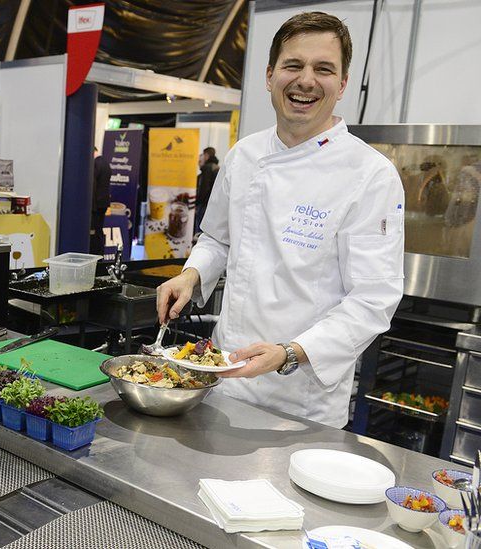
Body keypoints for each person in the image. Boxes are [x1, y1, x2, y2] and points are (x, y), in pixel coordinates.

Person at [156, 12, 404, 428]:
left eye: (323, 69)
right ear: (270, 76)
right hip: (222, 376)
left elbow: (372, 300)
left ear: (342, 84)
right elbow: (217, 239)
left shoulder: (371, 175)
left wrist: (288, 352)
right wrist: (192, 275)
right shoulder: (244, 156)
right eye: (293, 65)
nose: (306, 80)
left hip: (299, 401)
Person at [90, 147, 111, 255]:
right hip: (103, 204)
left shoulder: (95, 165)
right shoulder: (105, 163)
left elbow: (93, 187)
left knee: (94, 233)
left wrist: (91, 208)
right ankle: (100, 255)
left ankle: (96, 255)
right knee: (99, 231)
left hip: (96, 205)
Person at [193, 147, 219, 231]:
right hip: (213, 204)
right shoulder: (216, 167)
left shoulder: (208, 168)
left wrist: (197, 202)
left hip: (204, 204)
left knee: (199, 229)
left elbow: (204, 188)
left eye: (203, 155)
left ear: (206, 155)